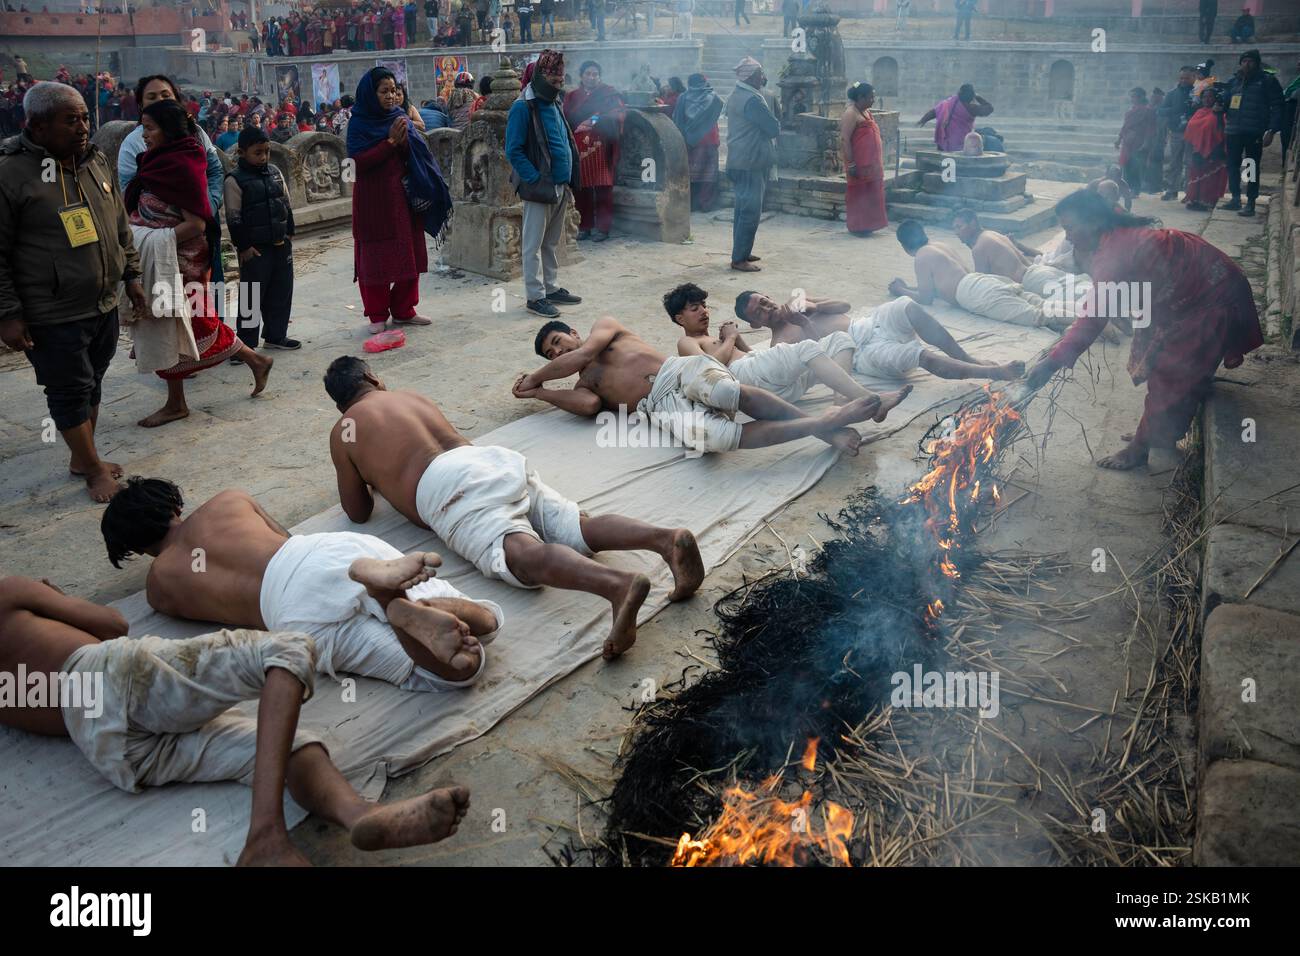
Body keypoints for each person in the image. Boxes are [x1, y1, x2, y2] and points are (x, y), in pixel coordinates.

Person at [0, 575, 471, 866]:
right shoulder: (6, 591)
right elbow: (111, 624)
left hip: (107, 749)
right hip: (110, 679)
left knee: (278, 744)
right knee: (287, 648)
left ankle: (361, 815)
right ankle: (264, 834)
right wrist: (51, 596)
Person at [324, 357, 702, 659]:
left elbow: (356, 510)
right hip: (490, 460)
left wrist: (370, 471)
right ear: (373, 379)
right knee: (575, 526)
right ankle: (665, 539)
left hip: (447, 488)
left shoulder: (344, 430)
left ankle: (616, 587)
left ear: (341, 404)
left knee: (519, 554)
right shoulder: (409, 396)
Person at [101, 478, 498, 688]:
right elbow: (287, 540)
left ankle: (392, 606)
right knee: (488, 624)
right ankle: (390, 597)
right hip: (331, 554)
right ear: (173, 504)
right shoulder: (229, 500)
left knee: (460, 669)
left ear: (135, 547)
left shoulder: (160, 586)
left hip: (291, 609)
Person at [1025, 189, 1263, 471]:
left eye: (1070, 228)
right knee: (1158, 350)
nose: (1068, 237)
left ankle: (1138, 450)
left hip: (1212, 296)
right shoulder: (1112, 233)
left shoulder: (1115, 252)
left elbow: (1091, 321)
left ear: (1092, 222)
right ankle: (1159, 433)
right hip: (1191, 291)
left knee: (1170, 371)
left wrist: (1051, 364)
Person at [0, 82, 147, 502]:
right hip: (51, 309)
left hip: (100, 301)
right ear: (38, 125)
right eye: (71, 120)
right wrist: (8, 313)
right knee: (68, 388)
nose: (83, 127)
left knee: (92, 380)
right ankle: (92, 469)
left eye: (84, 117)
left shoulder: (94, 158)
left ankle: (84, 456)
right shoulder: (11, 174)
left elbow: (119, 223)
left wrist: (131, 276)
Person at [521, 316, 908, 457]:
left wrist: (536, 377)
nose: (557, 350)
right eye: (549, 353)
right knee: (714, 440)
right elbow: (589, 406)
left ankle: (828, 431)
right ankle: (826, 425)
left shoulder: (601, 331)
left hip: (678, 371)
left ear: (571, 332)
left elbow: (583, 351)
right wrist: (541, 393)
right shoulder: (583, 381)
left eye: (557, 341)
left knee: (725, 392)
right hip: (657, 407)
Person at [126, 99, 273, 428]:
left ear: (169, 130)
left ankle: (178, 403)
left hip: (180, 260)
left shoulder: (181, 165)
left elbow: (195, 224)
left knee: (184, 324)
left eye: (149, 128)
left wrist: (154, 242)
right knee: (181, 324)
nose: (144, 135)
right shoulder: (155, 160)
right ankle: (255, 360)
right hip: (161, 258)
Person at [669, 283, 905, 404]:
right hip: (742, 377)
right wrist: (731, 338)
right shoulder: (687, 341)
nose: (703, 311)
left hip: (769, 381)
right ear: (680, 318)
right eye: (694, 308)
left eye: (704, 306)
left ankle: (840, 402)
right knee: (805, 350)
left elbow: (764, 363)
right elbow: (706, 369)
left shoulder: (717, 341)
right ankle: (868, 399)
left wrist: (738, 342)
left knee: (839, 340)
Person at [347, 67, 452, 335]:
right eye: (384, 91)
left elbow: (415, 153)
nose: (392, 96)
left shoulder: (399, 116)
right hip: (373, 200)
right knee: (375, 258)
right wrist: (390, 143)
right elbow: (354, 165)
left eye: (394, 91)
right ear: (371, 95)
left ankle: (405, 310)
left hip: (403, 198)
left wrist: (403, 142)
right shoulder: (358, 123)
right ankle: (378, 313)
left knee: (409, 253)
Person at [736, 289, 1025, 383]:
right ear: (754, 324)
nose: (766, 308)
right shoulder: (780, 343)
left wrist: (814, 307)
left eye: (764, 301)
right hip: (860, 354)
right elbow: (824, 361)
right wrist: (803, 324)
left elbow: (845, 306)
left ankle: (966, 357)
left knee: (907, 305)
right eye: (759, 311)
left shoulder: (797, 303)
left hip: (867, 323)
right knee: (919, 356)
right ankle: (993, 373)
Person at [506, 52, 584, 319]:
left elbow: (563, 139)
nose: (558, 81)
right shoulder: (522, 107)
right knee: (532, 246)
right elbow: (514, 151)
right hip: (539, 188)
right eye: (552, 77)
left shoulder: (554, 102)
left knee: (550, 243)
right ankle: (535, 297)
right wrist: (536, 179)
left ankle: (551, 288)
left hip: (560, 185)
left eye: (560, 77)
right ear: (540, 76)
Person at [888, 220, 1061, 331]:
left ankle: (1084, 321)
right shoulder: (939, 245)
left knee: (1036, 316)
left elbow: (926, 298)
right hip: (983, 282)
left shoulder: (921, 256)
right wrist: (908, 287)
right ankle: (1084, 315)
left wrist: (900, 290)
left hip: (973, 292)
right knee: (1042, 304)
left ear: (904, 246)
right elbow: (933, 289)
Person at [225, 126, 298, 352]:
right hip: (255, 249)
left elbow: (286, 204)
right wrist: (244, 246)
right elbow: (234, 218)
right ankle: (245, 346)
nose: (264, 157)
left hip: (280, 243)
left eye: (266, 151)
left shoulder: (275, 172)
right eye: (258, 152)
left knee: (282, 291)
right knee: (251, 296)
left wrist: (289, 233)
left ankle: (276, 336)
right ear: (242, 152)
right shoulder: (234, 180)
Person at [726, 57, 779, 273]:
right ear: (752, 77)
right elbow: (773, 127)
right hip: (750, 161)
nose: (763, 78)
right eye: (760, 74)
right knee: (750, 212)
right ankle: (739, 259)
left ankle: (742, 252)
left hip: (739, 160)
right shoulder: (753, 99)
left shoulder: (737, 95)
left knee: (742, 210)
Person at [564, 61, 625, 242]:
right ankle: (584, 226)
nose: (592, 77)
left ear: (600, 76)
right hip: (578, 147)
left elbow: (619, 112)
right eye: (588, 74)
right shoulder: (572, 96)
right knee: (581, 188)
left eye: (595, 74)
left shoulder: (609, 93)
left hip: (602, 146)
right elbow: (565, 117)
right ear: (581, 76)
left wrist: (594, 120)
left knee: (603, 187)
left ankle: (603, 228)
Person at [1221, 49, 1283, 218]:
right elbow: (1225, 104)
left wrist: (1271, 130)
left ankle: (1250, 202)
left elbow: (1278, 106)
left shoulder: (1267, 81)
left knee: (1250, 167)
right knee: (1232, 166)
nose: (1247, 64)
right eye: (1244, 61)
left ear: (1257, 63)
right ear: (1240, 63)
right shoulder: (1233, 81)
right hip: (1233, 130)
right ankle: (1235, 198)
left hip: (1254, 132)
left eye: (1251, 61)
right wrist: (1219, 106)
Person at [672, 73, 723, 212]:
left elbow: (678, 119)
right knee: (709, 174)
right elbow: (718, 113)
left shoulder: (683, 97)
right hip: (710, 139)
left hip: (690, 141)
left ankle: (691, 204)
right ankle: (706, 204)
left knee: (690, 174)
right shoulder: (714, 97)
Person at [841, 82, 886, 238]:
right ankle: (858, 226)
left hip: (872, 164)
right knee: (859, 194)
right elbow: (845, 139)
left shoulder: (867, 112)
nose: (873, 100)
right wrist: (851, 163)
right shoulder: (850, 113)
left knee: (871, 193)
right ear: (860, 97)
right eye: (870, 97)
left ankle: (870, 225)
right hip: (858, 163)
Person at [1183, 87, 1228, 211]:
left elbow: (1221, 131)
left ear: (1215, 98)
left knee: (1210, 178)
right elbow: (1190, 131)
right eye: (1204, 97)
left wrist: (1218, 114)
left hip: (1214, 150)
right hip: (1197, 150)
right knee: (1196, 174)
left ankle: (1207, 201)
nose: (1207, 99)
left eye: (1210, 97)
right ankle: (1194, 200)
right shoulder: (1198, 112)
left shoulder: (1220, 113)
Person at [1159, 67, 1197, 201]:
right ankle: (1171, 190)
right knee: (1174, 162)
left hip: (1193, 133)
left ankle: (1189, 192)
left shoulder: (1199, 93)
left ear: (1194, 77)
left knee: (1190, 163)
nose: (1184, 80)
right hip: (1176, 132)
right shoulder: (1172, 94)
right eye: (1181, 78)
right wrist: (1175, 110)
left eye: (1187, 78)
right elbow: (1161, 110)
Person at [919, 83, 992, 152]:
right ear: (971, 96)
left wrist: (923, 120)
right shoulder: (972, 108)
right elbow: (989, 108)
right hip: (960, 144)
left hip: (943, 142)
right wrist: (977, 97)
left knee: (944, 162)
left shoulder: (948, 103)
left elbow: (934, 112)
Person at [1115, 87, 1155, 200]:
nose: (1132, 99)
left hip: (1139, 142)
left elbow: (1150, 129)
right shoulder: (1131, 111)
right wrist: (1119, 139)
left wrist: (1146, 143)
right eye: (1131, 96)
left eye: (1134, 96)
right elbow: (1125, 126)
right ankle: (1127, 189)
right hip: (1127, 141)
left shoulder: (1148, 111)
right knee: (1126, 165)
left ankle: (1135, 190)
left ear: (1142, 97)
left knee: (1135, 167)